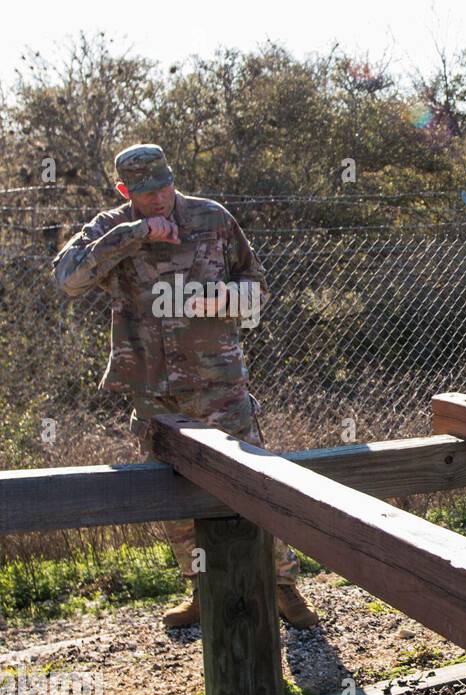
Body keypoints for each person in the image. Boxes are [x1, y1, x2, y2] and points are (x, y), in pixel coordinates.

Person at [52, 143, 319, 630]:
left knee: (256, 487)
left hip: (219, 385)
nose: (158, 199)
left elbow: (257, 286)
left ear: (173, 178)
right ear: (124, 191)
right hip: (153, 391)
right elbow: (67, 279)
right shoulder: (111, 227)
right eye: (145, 192)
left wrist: (222, 300)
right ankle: (202, 591)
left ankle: (283, 586)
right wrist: (133, 235)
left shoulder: (212, 218)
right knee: (175, 502)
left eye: (164, 187)